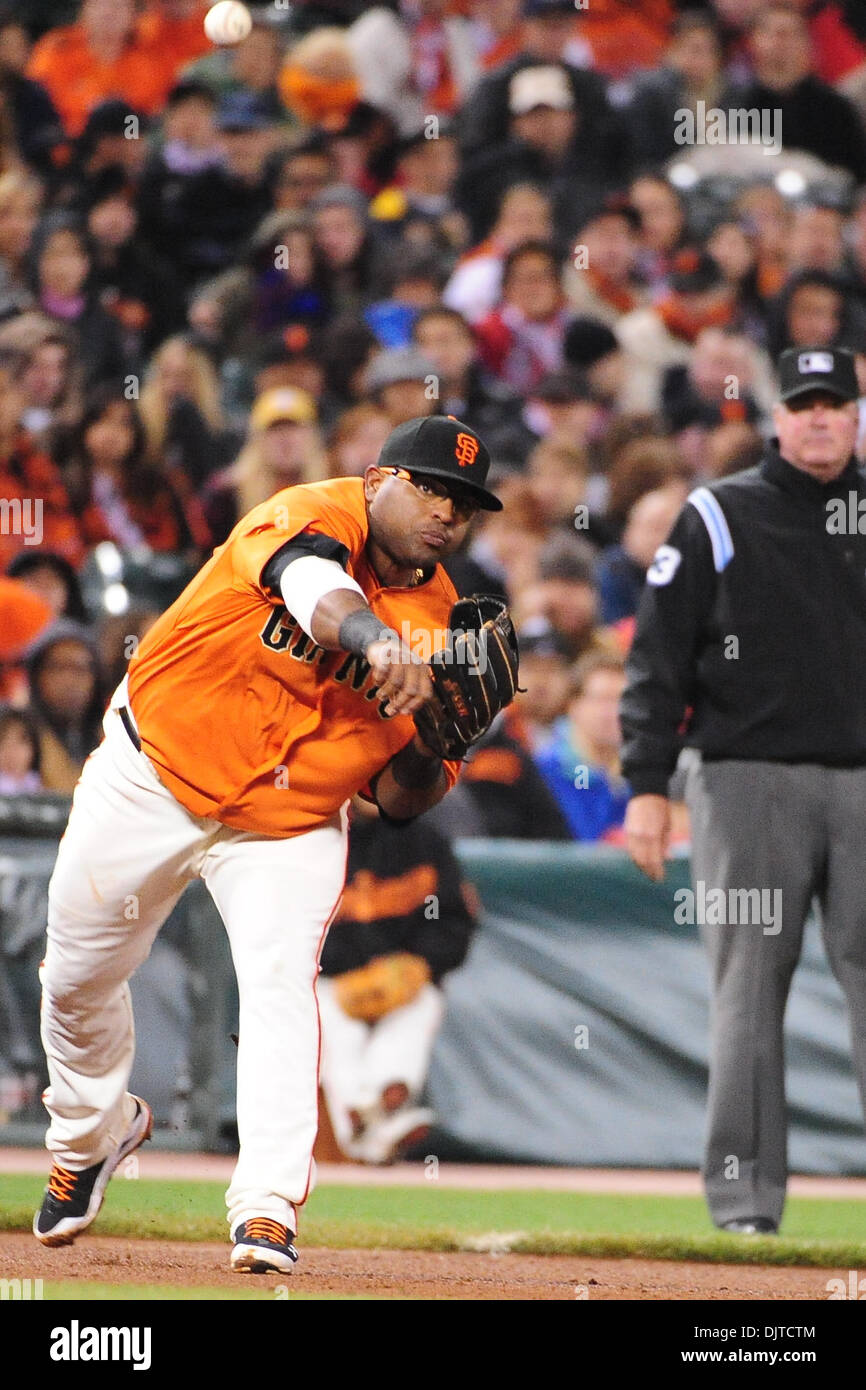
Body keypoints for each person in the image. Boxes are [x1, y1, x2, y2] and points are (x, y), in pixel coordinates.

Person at [31, 414, 505, 1275]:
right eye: (429, 485)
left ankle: (266, 1210)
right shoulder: (308, 513)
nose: (445, 511)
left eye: (463, 502)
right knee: (73, 977)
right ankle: (90, 1134)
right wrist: (376, 641)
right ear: (375, 480)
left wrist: (441, 740)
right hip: (153, 774)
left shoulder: (442, 625)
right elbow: (310, 584)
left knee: (282, 989)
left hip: (285, 826)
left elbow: (399, 801)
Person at [620, 346, 866, 1235]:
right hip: (743, 779)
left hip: (863, 786)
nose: (819, 417)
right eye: (804, 403)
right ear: (776, 414)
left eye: (835, 401)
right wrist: (647, 785)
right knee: (749, 994)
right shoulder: (720, 514)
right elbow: (657, 659)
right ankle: (745, 1209)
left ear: (856, 412)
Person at [318, 796, 476, 1163]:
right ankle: (381, 1120)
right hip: (334, 981)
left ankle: (371, 1110)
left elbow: (455, 923)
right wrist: (348, 967)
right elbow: (295, 928)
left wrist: (420, 962)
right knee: (329, 1017)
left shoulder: (427, 843)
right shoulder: (322, 841)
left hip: (404, 981)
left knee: (422, 1004)